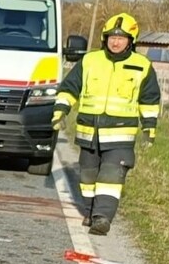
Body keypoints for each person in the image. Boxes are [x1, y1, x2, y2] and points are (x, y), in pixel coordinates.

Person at [53, 13, 162, 236]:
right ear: (105, 38)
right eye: (112, 37)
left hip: (120, 135)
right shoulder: (90, 61)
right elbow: (69, 88)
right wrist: (60, 111)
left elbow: (149, 99)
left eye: (121, 38)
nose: (116, 42)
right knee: (88, 178)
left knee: (111, 177)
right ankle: (90, 211)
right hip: (88, 133)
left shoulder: (142, 65)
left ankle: (102, 218)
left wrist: (149, 127)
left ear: (130, 40)